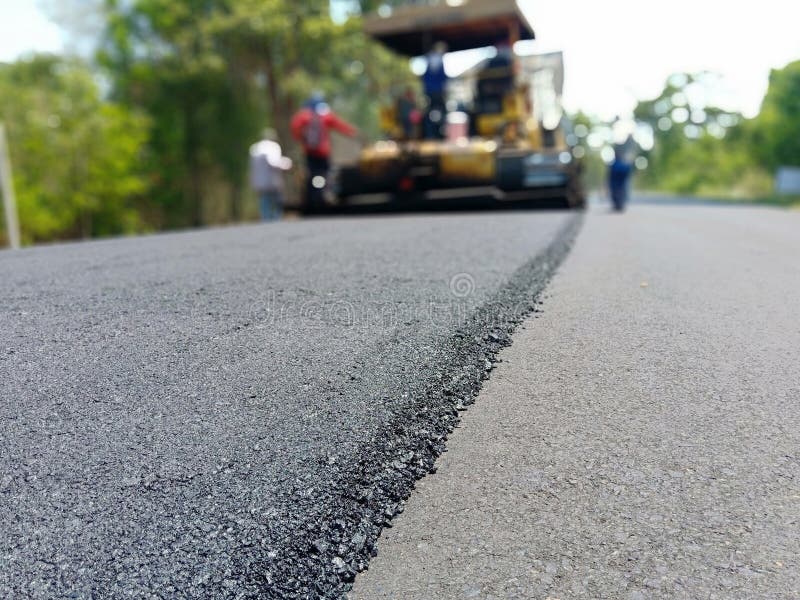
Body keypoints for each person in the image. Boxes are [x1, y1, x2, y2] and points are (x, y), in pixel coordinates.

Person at [290, 93, 359, 212]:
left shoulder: (303, 116)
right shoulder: (325, 115)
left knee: (312, 175)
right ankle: (326, 195)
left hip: (310, 152)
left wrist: (301, 139)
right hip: (323, 152)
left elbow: (295, 128)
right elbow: (340, 125)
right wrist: (353, 132)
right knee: (327, 174)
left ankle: (313, 199)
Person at [249, 128, 292, 221]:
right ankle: (275, 218)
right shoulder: (273, 147)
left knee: (264, 199)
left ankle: (265, 218)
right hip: (272, 180)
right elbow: (273, 162)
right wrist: (286, 164)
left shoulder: (254, 148)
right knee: (276, 200)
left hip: (259, 180)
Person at [422, 41, 448, 139]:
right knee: (441, 112)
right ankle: (439, 134)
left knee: (430, 113)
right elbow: (443, 78)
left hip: (429, 91)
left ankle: (431, 135)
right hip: (437, 92)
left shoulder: (429, 59)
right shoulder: (439, 60)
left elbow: (424, 77)